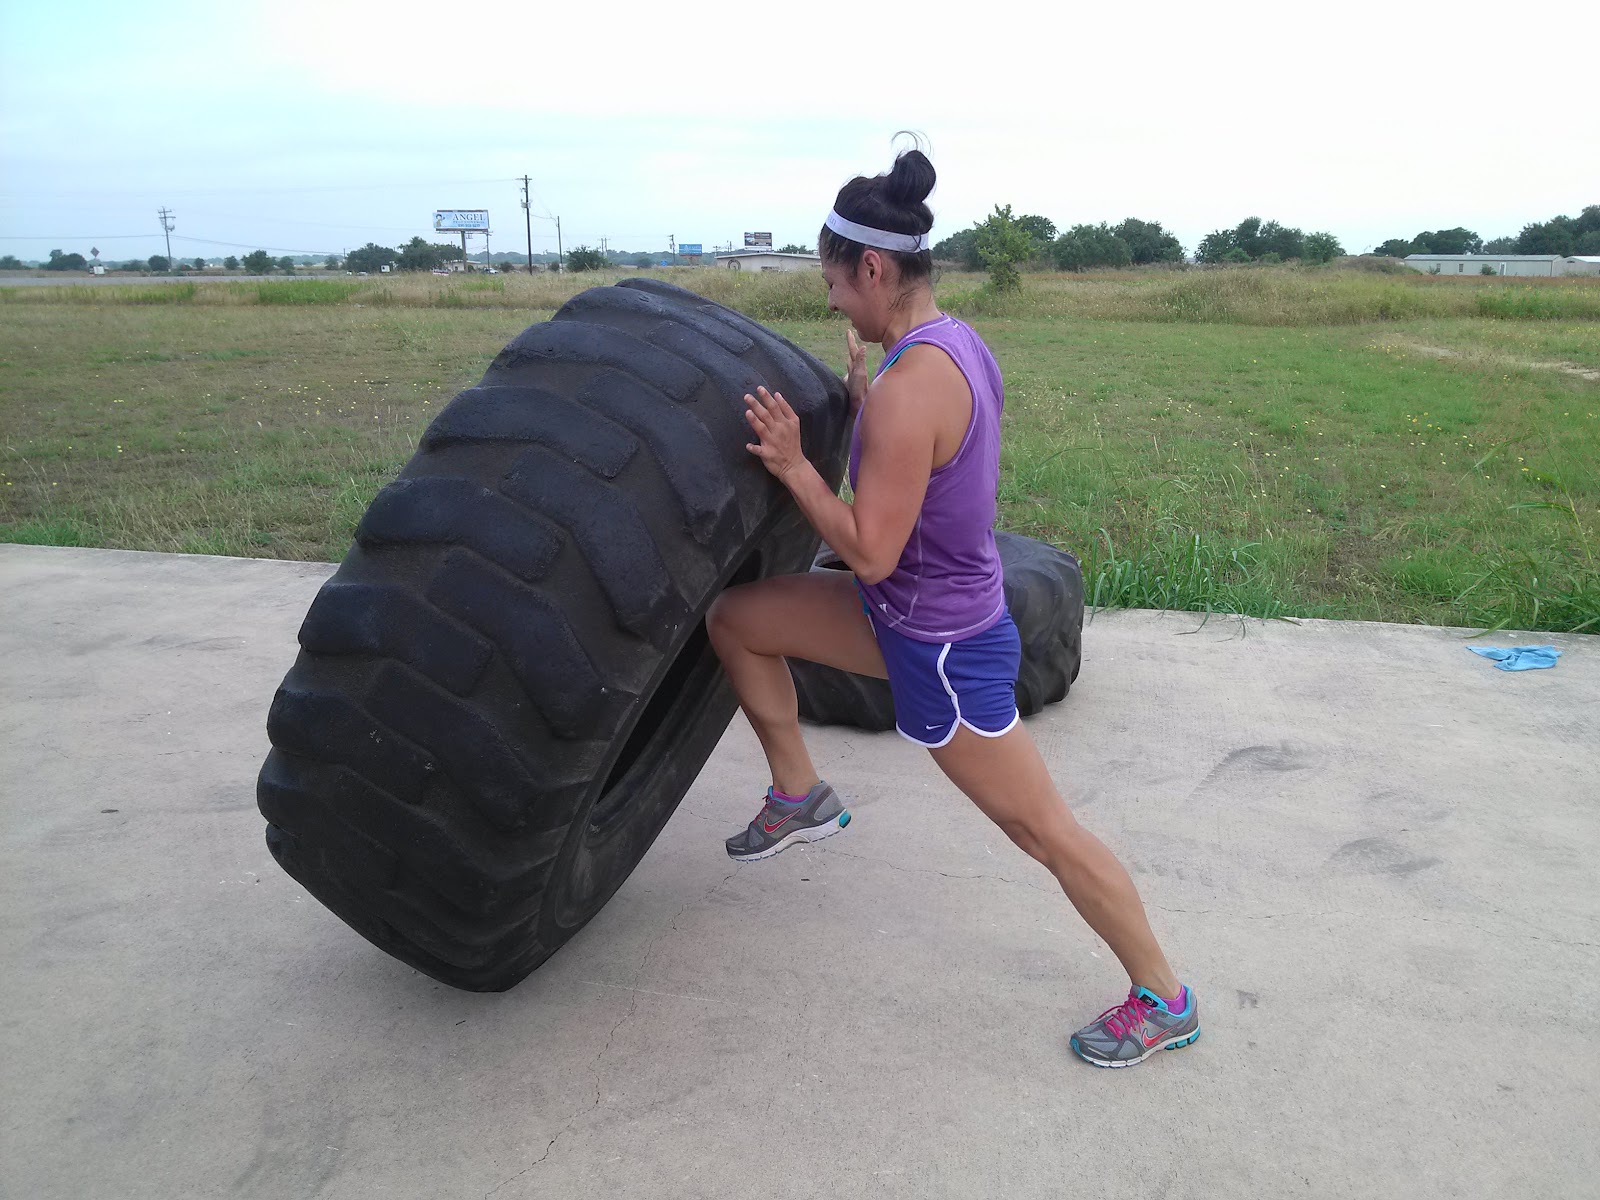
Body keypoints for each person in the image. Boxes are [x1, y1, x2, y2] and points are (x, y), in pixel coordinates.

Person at [704, 146, 1198, 1068]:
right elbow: (928, 465)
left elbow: (867, 548)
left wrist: (797, 465)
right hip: (899, 616)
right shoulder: (949, 345)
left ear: (875, 269)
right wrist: (865, 397)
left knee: (1041, 832)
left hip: (941, 648)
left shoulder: (909, 389)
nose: (831, 303)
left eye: (834, 285)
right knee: (738, 620)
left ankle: (1164, 997)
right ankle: (799, 792)